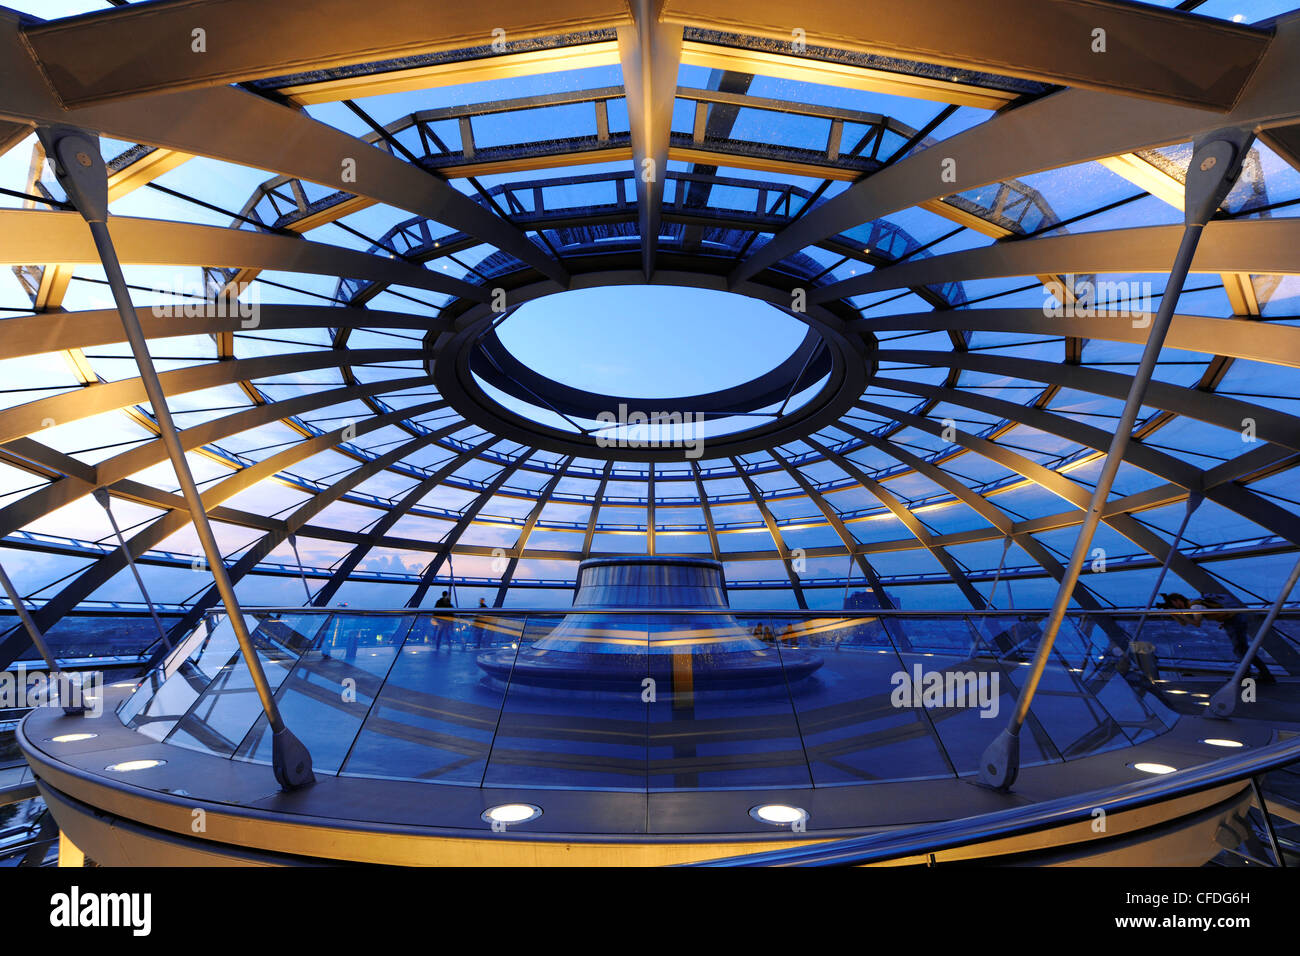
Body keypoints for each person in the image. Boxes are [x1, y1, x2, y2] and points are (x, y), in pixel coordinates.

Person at [1159, 592, 1274, 683]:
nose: (1174, 607)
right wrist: (1174, 614)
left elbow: (1196, 623)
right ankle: (1256, 674)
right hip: (1232, 620)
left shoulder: (1195, 606)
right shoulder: (1192, 604)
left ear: (1177, 601)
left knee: (1240, 648)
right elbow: (1184, 623)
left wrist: (1179, 614)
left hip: (1234, 620)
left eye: (1173, 604)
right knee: (1241, 649)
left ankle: (1253, 675)